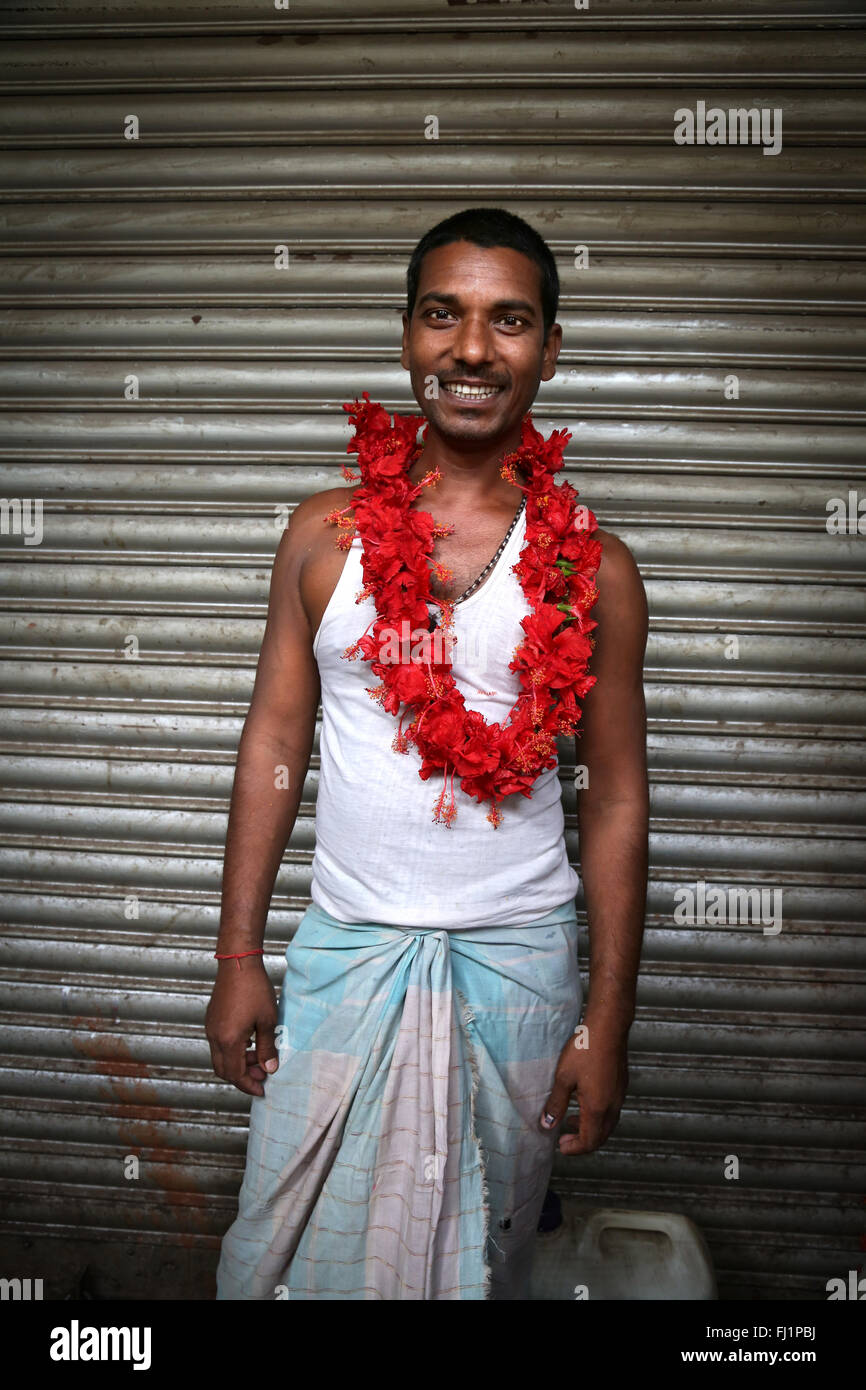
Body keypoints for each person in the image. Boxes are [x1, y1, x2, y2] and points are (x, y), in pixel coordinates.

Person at [206, 207, 649, 1300]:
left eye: (508, 322)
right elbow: (273, 739)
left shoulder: (594, 571)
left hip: (515, 975)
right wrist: (236, 957)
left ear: (548, 349)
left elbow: (613, 801)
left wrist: (605, 1021)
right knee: (277, 1250)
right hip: (342, 960)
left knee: (475, 1260)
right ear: (406, 334)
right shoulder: (323, 536)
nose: (469, 349)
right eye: (441, 314)